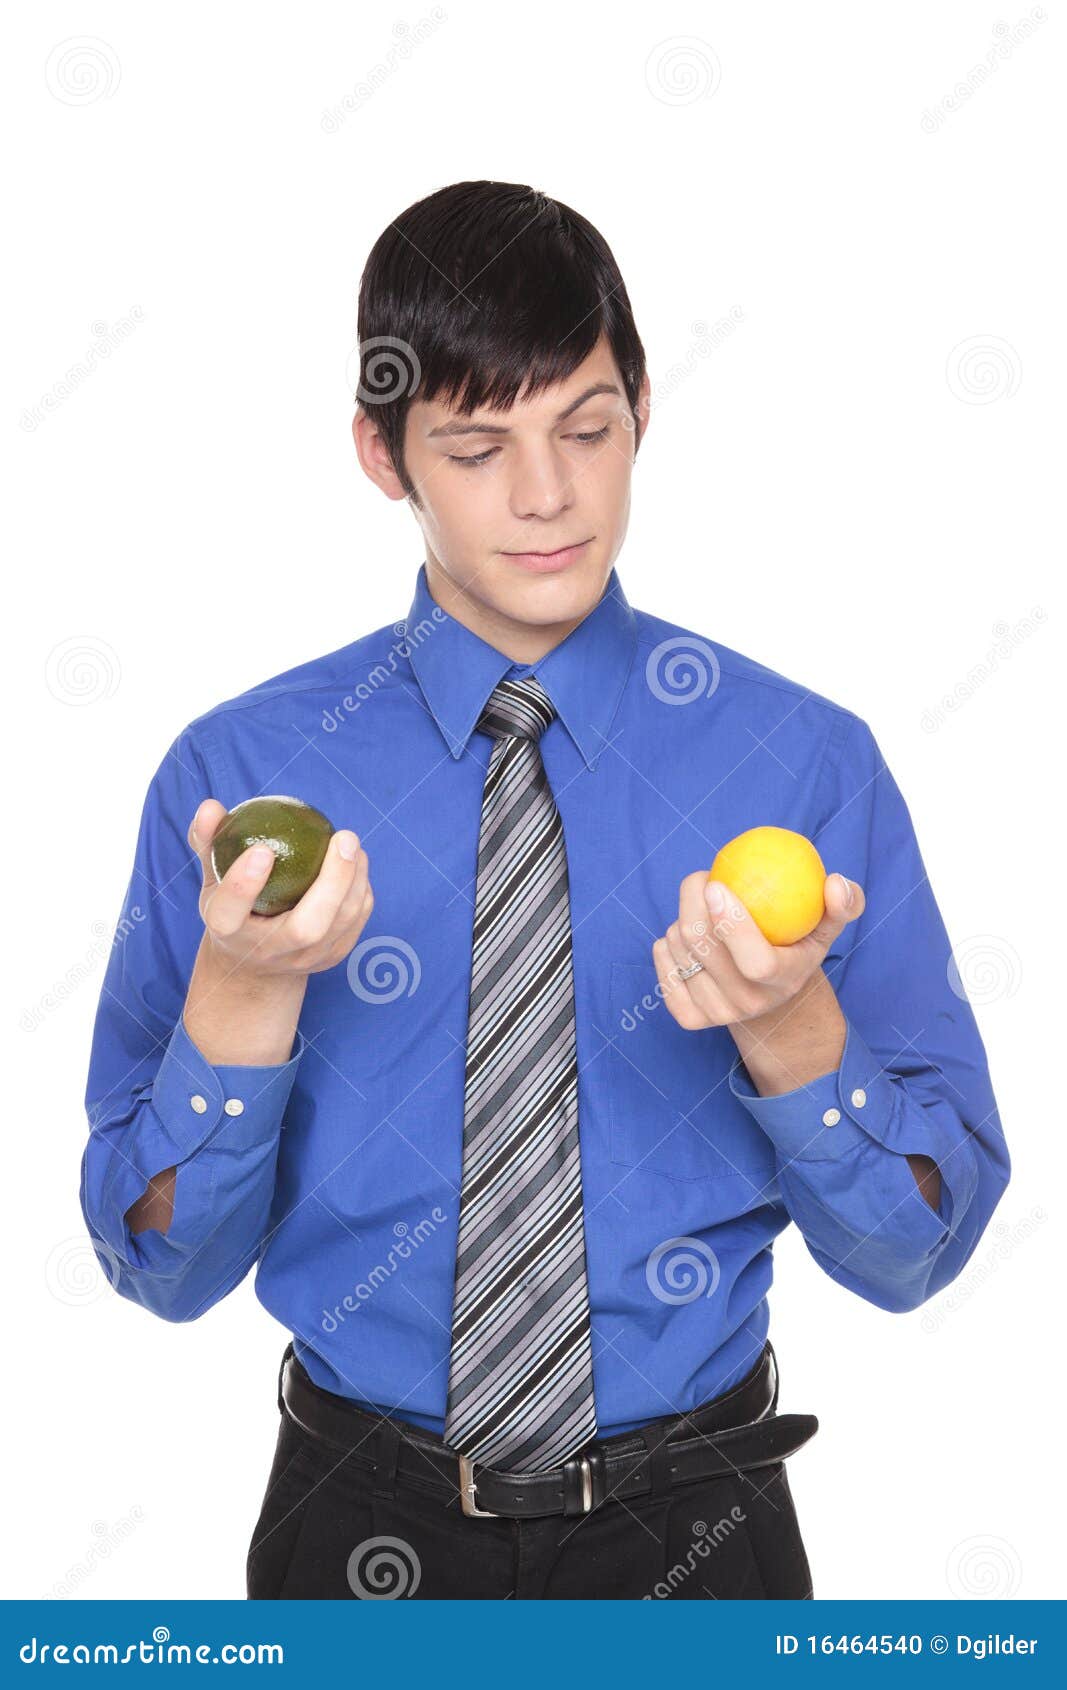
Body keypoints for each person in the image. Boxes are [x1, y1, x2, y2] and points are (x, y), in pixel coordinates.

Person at [80, 180, 1010, 1601]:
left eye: (588, 426)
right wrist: (247, 986)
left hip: (701, 1539)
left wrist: (795, 1029)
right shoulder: (246, 773)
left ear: (643, 403)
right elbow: (161, 1272)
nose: (548, 494)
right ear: (381, 455)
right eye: (475, 445)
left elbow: (918, 1256)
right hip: (356, 1539)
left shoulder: (803, 762)